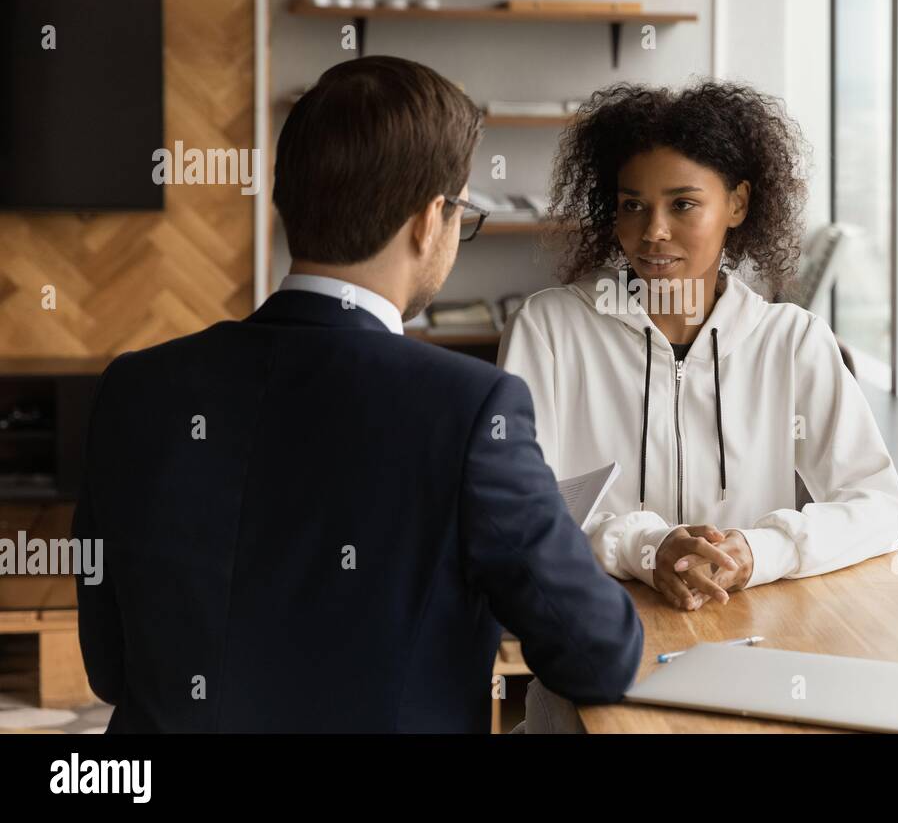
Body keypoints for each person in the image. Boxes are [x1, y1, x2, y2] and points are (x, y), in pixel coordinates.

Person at [72, 56, 643, 732]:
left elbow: (110, 667)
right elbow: (599, 654)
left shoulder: (135, 388)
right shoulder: (469, 409)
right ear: (430, 220)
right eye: (462, 208)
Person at [499, 80, 898, 731]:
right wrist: (646, 545)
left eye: (683, 204)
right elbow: (520, 516)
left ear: (737, 204)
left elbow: (877, 507)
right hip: (595, 676)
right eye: (633, 205)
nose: (652, 233)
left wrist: (757, 550)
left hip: (756, 674)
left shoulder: (792, 340)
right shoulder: (549, 330)